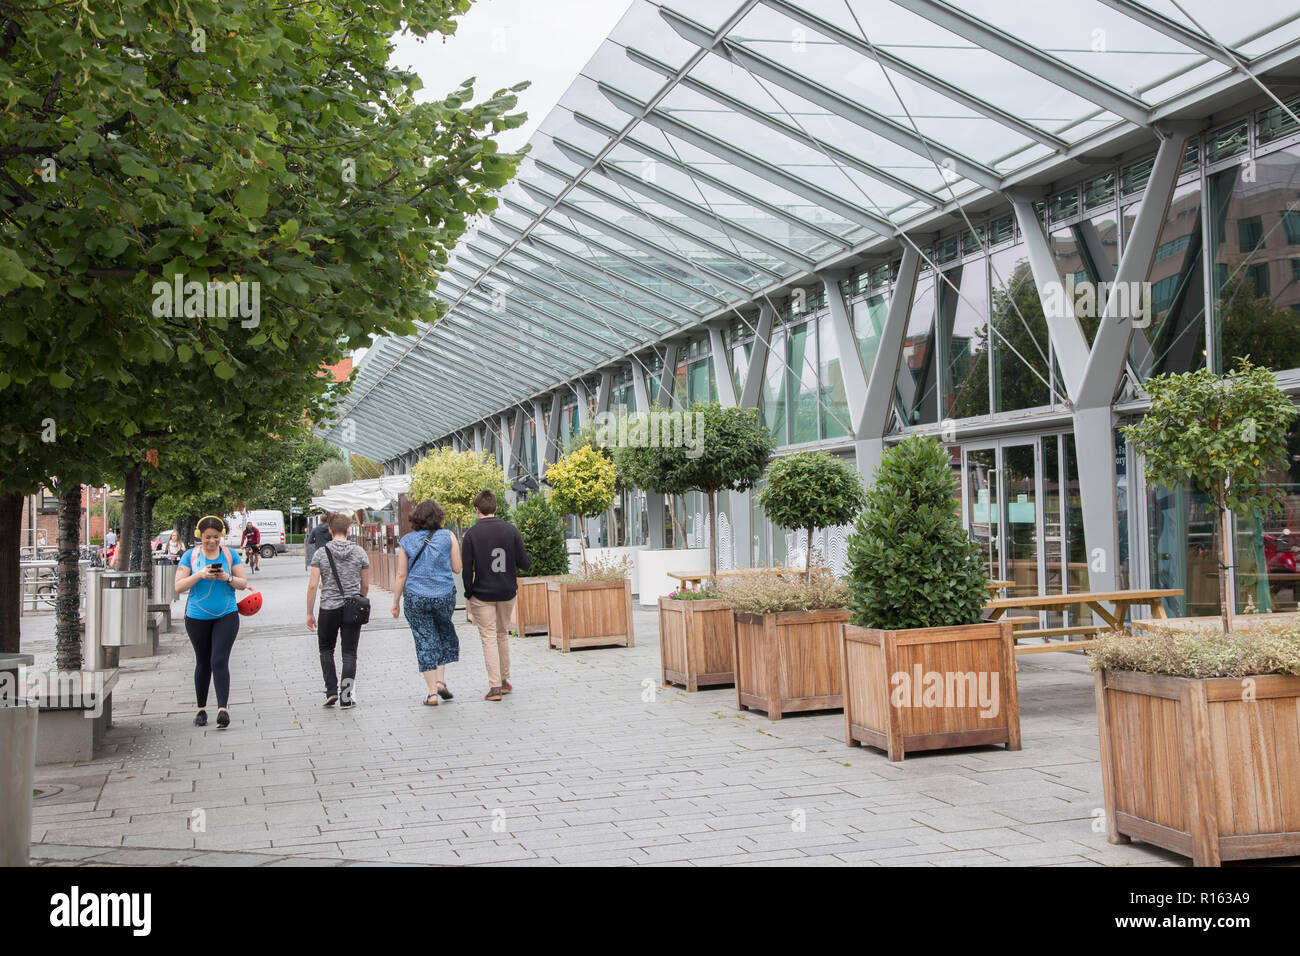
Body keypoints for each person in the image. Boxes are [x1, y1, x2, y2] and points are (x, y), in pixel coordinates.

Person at [174, 517, 249, 729]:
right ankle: (201, 709)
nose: (212, 542)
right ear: (200, 536)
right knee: (203, 661)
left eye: (216, 537)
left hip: (226, 614)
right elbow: (178, 587)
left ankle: (222, 709)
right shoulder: (191, 555)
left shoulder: (229, 554)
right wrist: (200, 574)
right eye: (208, 538)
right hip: (197, 616)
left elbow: (243, 583)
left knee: (219, 659)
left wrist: (226, 577)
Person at [461, 490, 530, 702]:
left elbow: (466, 569)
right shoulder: (511, 530)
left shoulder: (471, 535)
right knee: (502, 634)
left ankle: (494, 687)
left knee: (489, 638)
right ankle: (504, 681)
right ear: (496, 508)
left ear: (476, 510)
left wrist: (468, 592)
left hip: (482, 594)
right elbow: (525, 564)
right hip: (507, 592)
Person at [392, 500, 461, 707]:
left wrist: (395, 601)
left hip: (416, 597)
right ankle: (440, 681)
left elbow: (401, 574)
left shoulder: (406, 541)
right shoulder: (449, 536)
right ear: (438, 517)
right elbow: (457, 568)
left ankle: (431, 693)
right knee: (441, 634)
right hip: (444, 595)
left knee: (424, 640)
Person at [306, 513, 370, 708]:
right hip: (352, 607)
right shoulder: (360, 552)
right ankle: (346, 696)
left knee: (326, 649)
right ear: (349, 530)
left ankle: (331, 690)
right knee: (349, 653)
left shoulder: (320, 553)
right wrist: (360, 598)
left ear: (331, 530)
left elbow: (313, 585)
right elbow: (365, 584)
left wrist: (309, 613)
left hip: (328, 608)